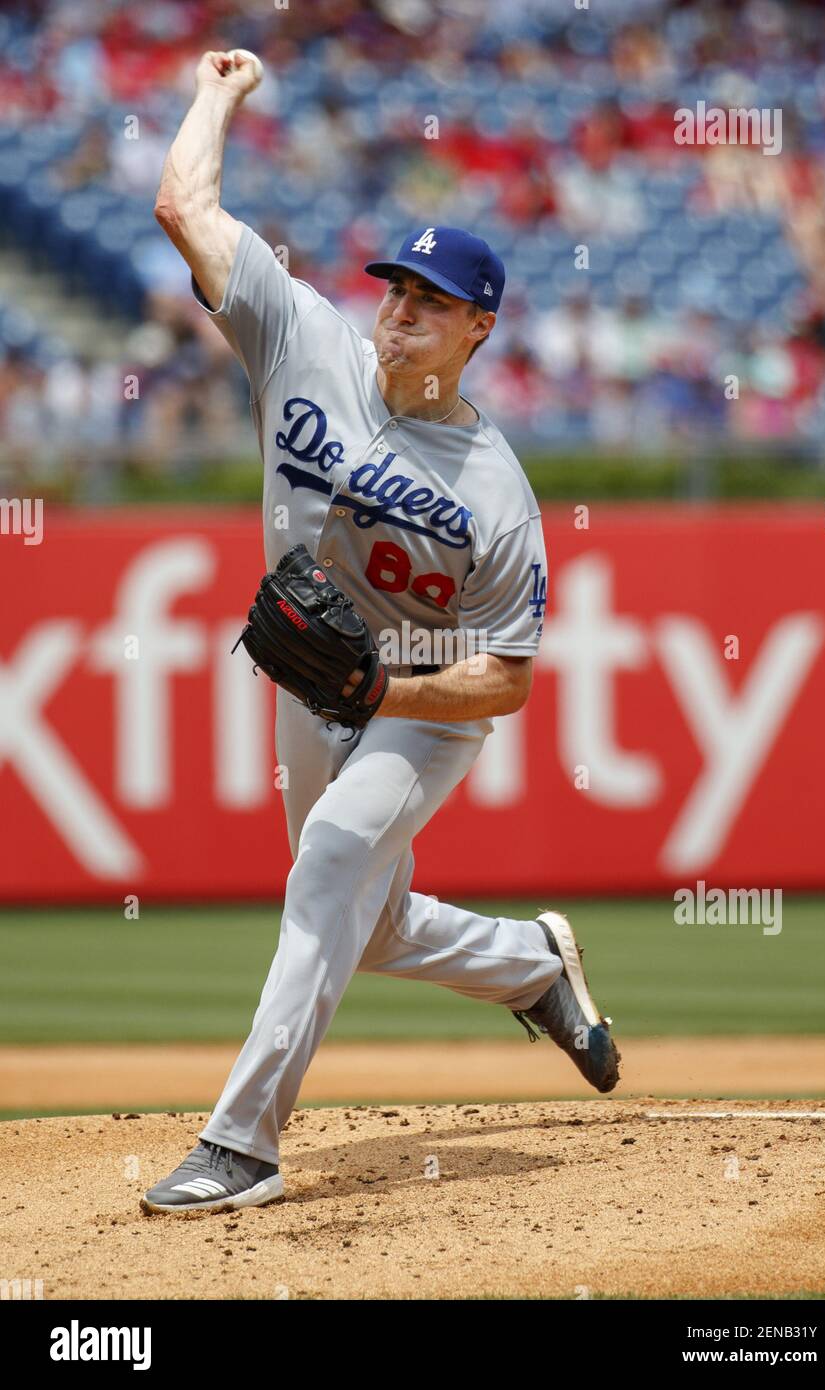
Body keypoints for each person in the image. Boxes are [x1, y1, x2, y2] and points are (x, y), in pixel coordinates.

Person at [141, 50, 620, 1215]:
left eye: (429, 303)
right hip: (312, 676)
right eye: (394, 290)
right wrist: (219, 93)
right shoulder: (303, 339)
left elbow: (502, 682)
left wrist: (382, 692)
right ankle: (532, 965)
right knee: (366, 912)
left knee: (333, 863)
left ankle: (243, 1142)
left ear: (478, 331)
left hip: (421, 695)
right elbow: (182, 207)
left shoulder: (499, 494)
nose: (399, 312)